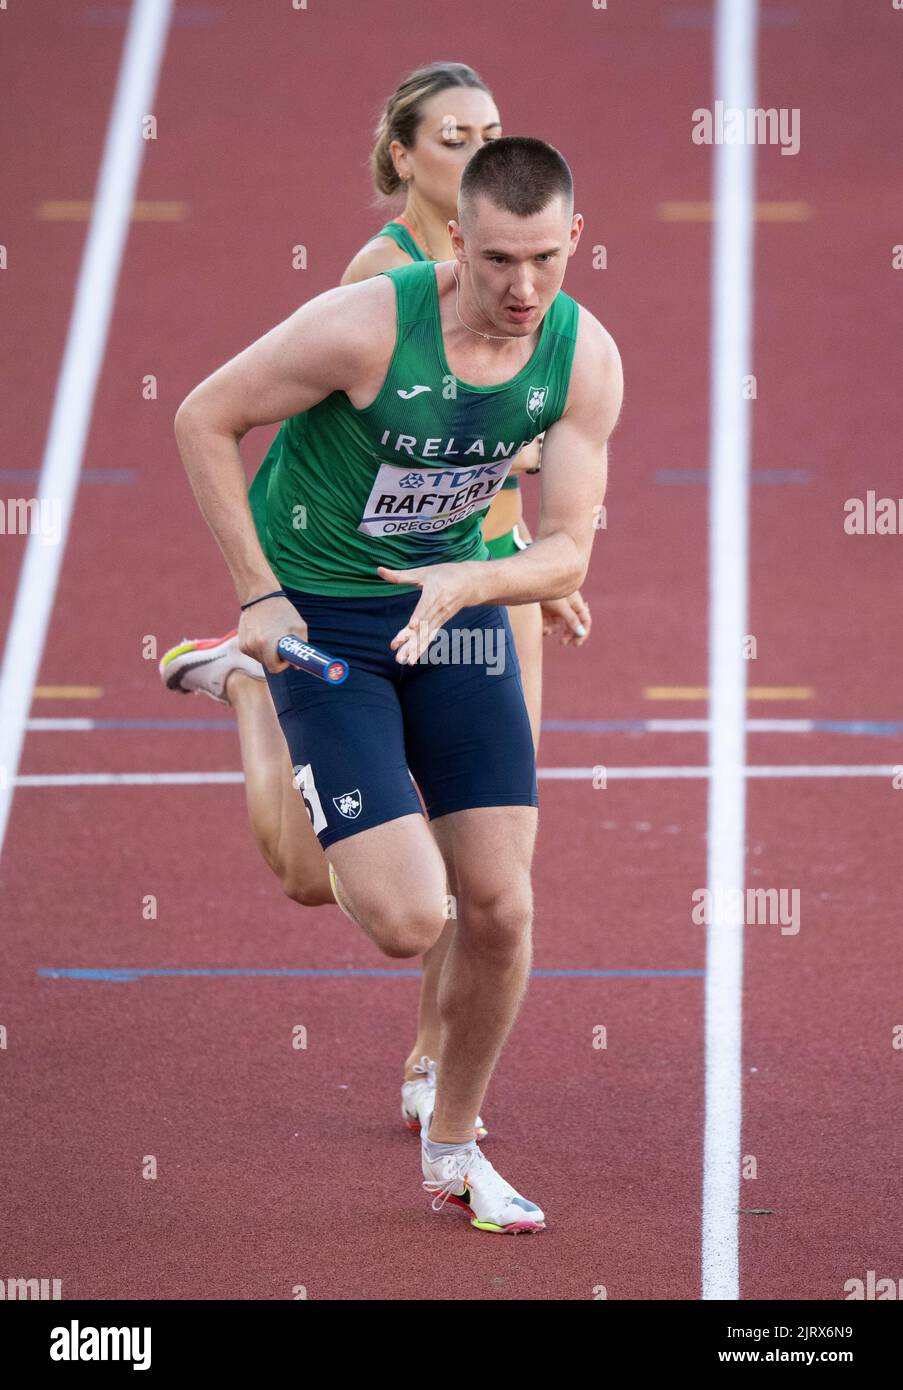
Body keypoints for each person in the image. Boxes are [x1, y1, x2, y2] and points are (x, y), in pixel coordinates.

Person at [169, 135, 623, 1232]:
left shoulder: (583, 357)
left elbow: (567, 550)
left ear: (576, 241)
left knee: (505, 906)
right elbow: (203, 416)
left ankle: (455, 1148)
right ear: (456, 240)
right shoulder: (367, 323)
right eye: (498, 260)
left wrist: (480, 576)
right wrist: (258, 596)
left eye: (545, 261)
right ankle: (247, 684)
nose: (522, 288)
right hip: (326, 623)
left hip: (452, 616)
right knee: (407, 917)